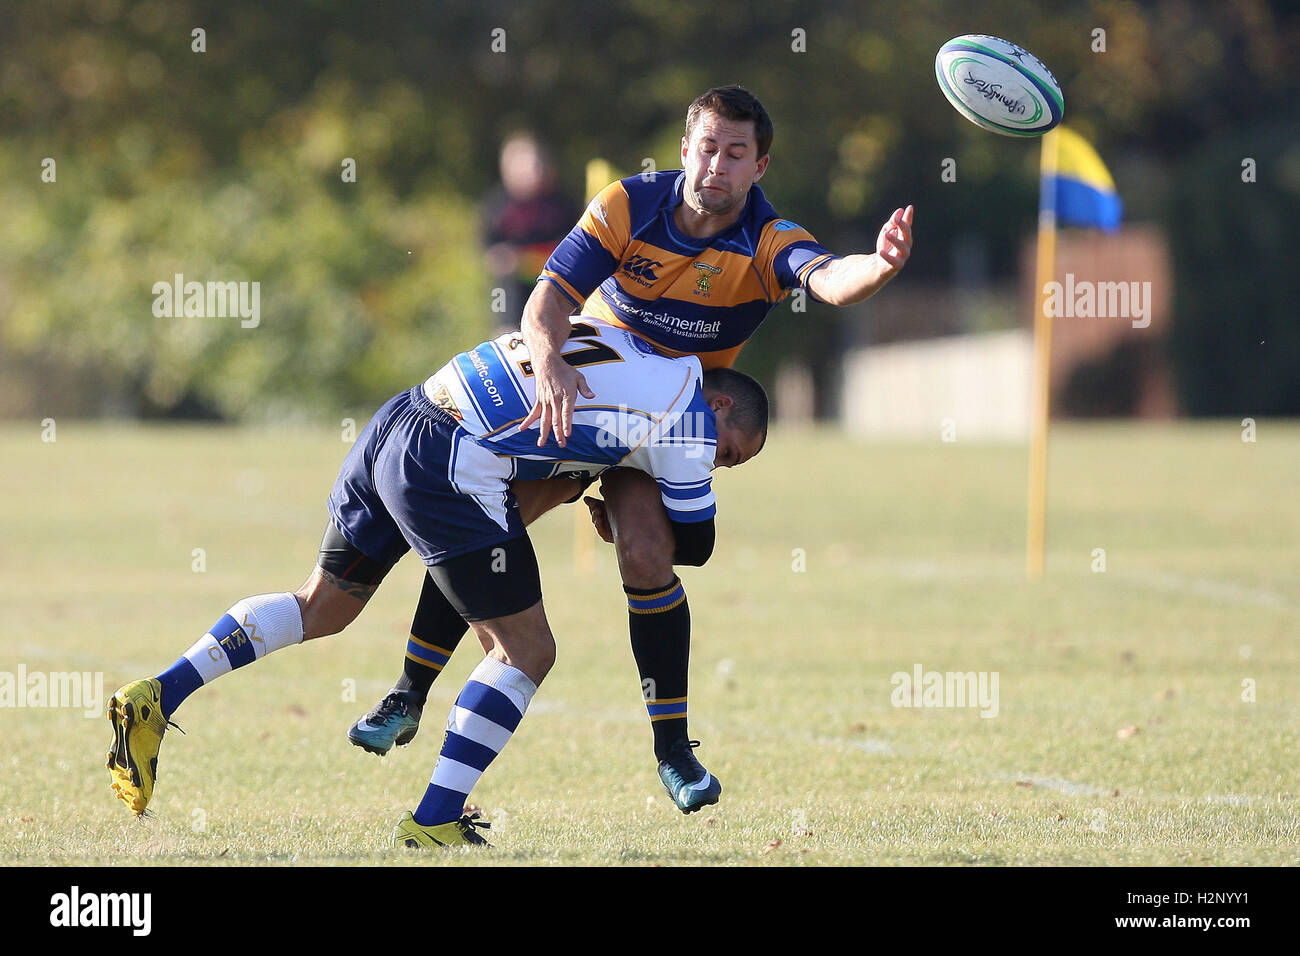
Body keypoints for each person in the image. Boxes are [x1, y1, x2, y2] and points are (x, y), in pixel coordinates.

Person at [349, 84, 914, 813]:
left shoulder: (767, 241)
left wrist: (881, 265)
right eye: (708, 147)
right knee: (494, 523)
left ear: (759, 167)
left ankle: (673, 750)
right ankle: (408, 693)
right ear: (686, 150)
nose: (718, 164)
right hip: (591, 397)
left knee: (647, 553)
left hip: (666, 422)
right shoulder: (628, 204)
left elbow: (832, 278)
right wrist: (549, 361)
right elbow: (548, 298)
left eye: (736, 153)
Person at [104, 315, 768, 847]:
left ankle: (158, 694)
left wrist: (587, 481)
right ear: (719, 403)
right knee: (527, 651)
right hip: (451, 458)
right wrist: (623, 506)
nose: (719, 463)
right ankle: (435, 817)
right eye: (730, 450)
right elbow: (699, 544)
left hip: (405, 417)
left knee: (320, 608)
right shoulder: (686, 417)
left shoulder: (623, 343)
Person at [482, 132, 581, 334]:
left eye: (538, 166)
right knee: (505, 288)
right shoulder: (497, 206)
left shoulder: (561, 203)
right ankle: (506, 334)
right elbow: (489, 252)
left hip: (555, 275)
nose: (534, 174)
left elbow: (580, 240)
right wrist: (507, 258)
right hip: (516, 282)